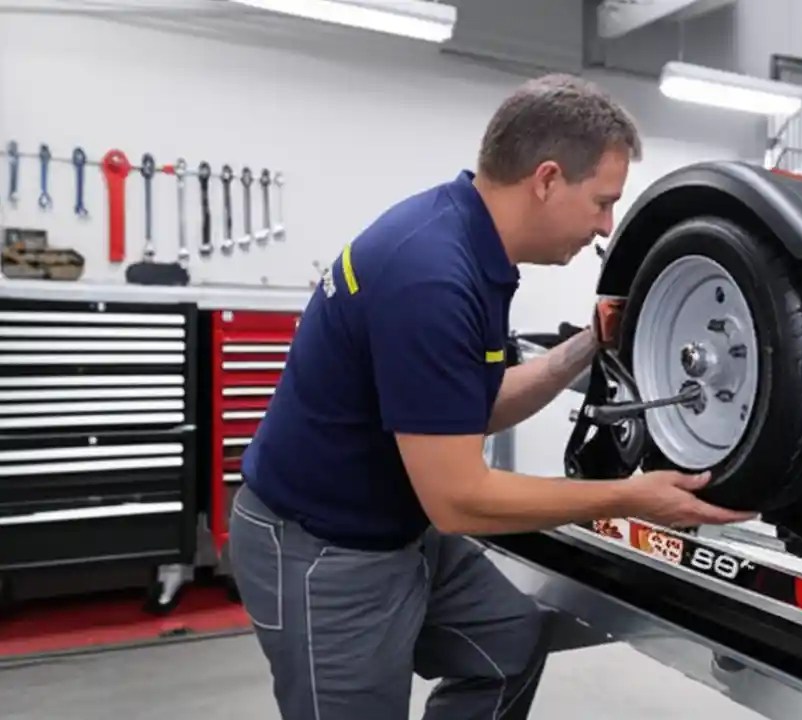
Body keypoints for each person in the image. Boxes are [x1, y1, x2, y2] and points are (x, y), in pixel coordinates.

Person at [227, 73, 754, 720]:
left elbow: (472, 406)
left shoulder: (468, 240)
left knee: (508, 642)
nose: (605, 228)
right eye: (602, 202)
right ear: (548, 179)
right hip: (324, 551)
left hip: (397, 525)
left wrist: (586, 345)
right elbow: (458, 500)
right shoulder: (432, 278)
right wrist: (628, 499)